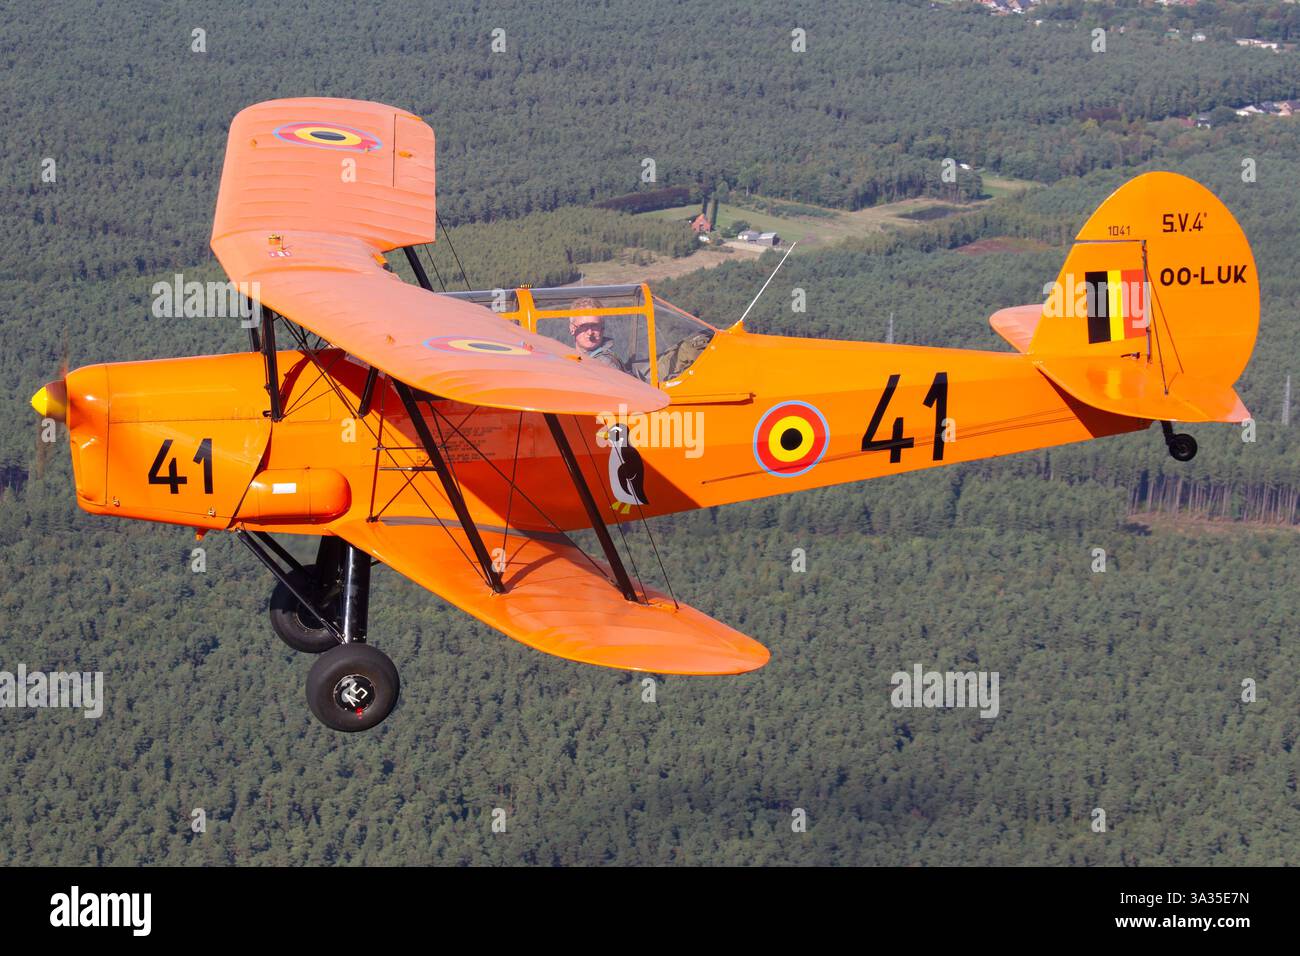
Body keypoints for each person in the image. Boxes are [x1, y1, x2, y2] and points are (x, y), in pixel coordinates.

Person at [568, 297, 627, 372]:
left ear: (602, 329)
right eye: (583, 326)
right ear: (572, 328)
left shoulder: (605, 363)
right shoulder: (570, 357)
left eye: (595, 326)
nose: (590, 332)